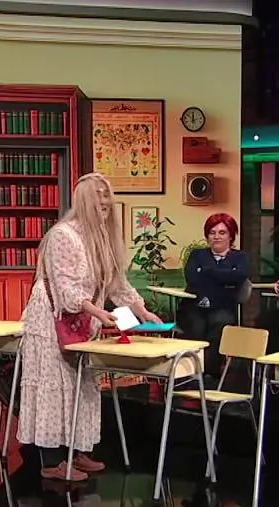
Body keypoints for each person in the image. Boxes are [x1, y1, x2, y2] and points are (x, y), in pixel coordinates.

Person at [17, 173, 162, 482]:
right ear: (84, 200)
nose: (105, 202)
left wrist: (142, 310)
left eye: (107, 196)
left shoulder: (103, 237)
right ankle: (52, 461)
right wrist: (99, 312)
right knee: (54, 386)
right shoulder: (63, 235)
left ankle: (77, 451)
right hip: (53, 318)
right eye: (99, 196)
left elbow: (117, 283)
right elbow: (65, 288)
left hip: (84, 318)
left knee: (82, 384)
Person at [179, 212, 250, 380]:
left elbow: (240, 276)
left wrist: (207, 271)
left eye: (222, 232)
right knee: (195, 327)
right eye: (212, 232)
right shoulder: (197, 255)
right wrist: (225, 276)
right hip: (194, 306)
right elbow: (192, 278)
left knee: (219, 324)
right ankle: (190, 372)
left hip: (223, 306)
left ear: (231, 236)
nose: (216, 237)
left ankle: (210, 372)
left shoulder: (240, 257)